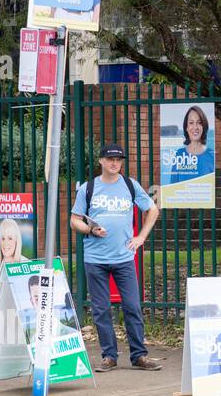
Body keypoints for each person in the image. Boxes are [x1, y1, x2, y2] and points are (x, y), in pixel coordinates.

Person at [69, 144, 162, 371]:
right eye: (110, 159)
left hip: (124, 258)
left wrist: (141, 237)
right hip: (95, 258)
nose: (114, 163)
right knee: (101, 309)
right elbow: (75, 221)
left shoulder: (130, 185)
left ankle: (138, 355)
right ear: (101, 161)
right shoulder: (88, 188)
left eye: (118, 160)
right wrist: (91, 230)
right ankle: (109, 356)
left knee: (132, 306)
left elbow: (153, 209)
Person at [169, 105, 213, 182]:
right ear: (186, 127)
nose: (195, 127)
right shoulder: (179, 155)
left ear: (203, 126)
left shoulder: (211, 155)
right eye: (191, 123)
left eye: (199, 123)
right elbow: (173, 184)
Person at [0, 217, 27, 289]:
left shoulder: (26, 263)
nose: (6, 243)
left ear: (16, 241)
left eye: (10, 238)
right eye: (3, 238)